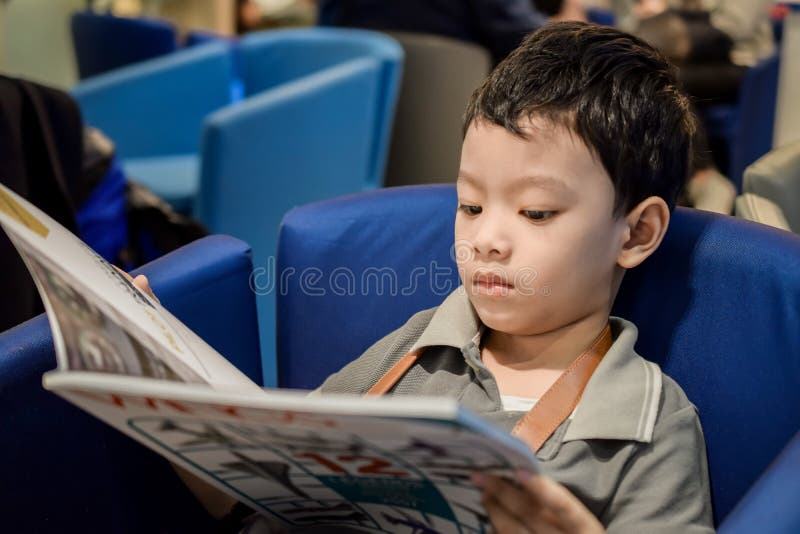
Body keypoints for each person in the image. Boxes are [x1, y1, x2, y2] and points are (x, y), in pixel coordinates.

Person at [134, 22, 713, 532]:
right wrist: (157, 381)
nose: (486, 238)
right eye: (470, 205)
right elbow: (251, 496)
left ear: (635, 234)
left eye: (536, 212)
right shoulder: (418, 346)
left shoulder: (649, 424)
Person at [317, 0, 586, 63]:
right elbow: (523, 36)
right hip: (460, 112)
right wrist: (573, 26)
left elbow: (326, 28)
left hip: (353, 111)